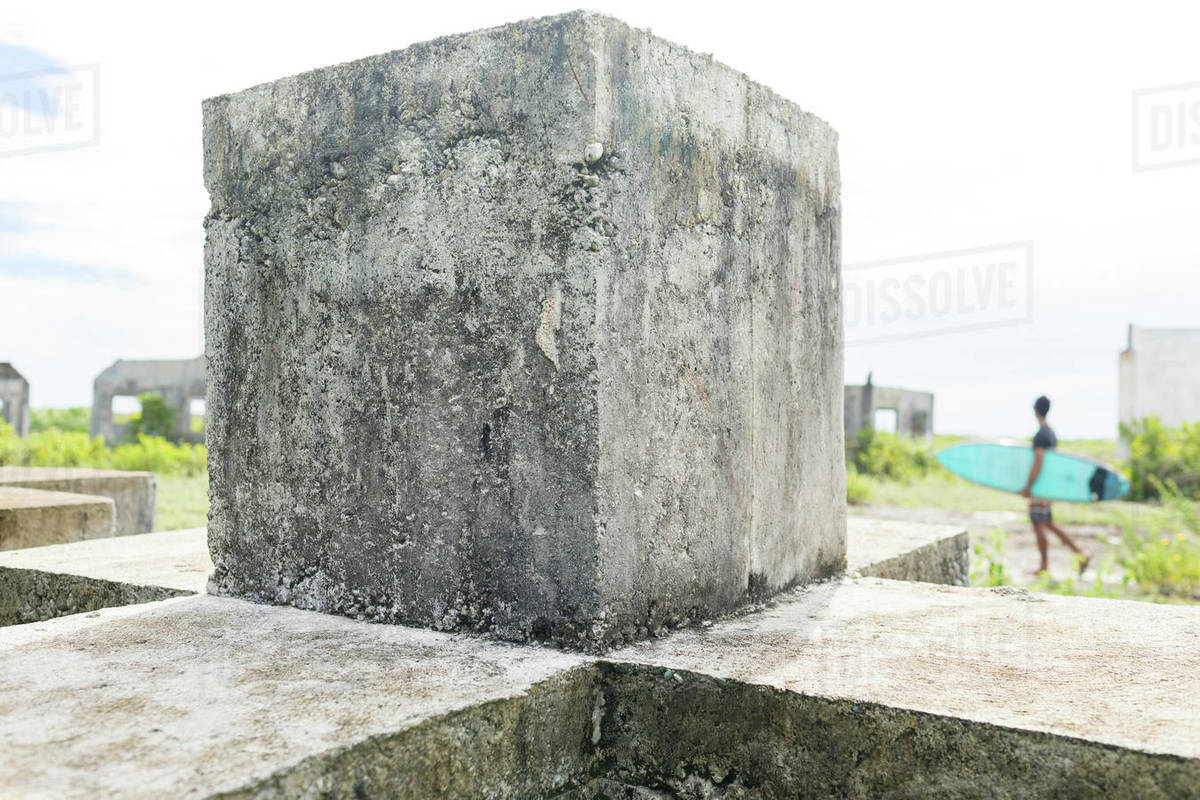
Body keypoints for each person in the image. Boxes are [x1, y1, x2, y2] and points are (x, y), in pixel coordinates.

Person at [1020, 395, 1090, 576]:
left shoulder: (1041, 434)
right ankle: (1081, 554)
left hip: (1041, 488)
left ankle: (1044, 566)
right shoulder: (1050, 433)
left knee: (1038, 523)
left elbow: (1038, 462)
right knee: (1048, 523)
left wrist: (1029, 486)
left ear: (1035, 410)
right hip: (1048, 486)